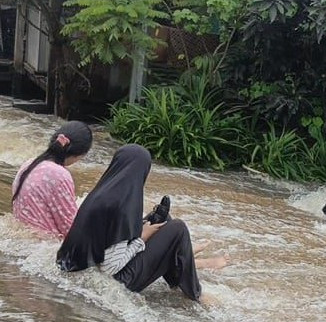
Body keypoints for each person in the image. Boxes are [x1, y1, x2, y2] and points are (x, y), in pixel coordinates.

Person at [56, 145, 228, 303]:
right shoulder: (122, 206)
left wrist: (143, 226)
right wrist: (142, 237)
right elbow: (111, 267)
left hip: (81, 265)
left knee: (164, 222)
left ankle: (180, 272)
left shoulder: (102, 193)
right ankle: (195, 293)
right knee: (178, 228)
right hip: (119, 281)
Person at [11, 121, 93, 239]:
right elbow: (69, 228)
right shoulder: (59, 175)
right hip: (42, 244)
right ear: (81, 154)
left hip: (22, 235)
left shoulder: (29, 163)